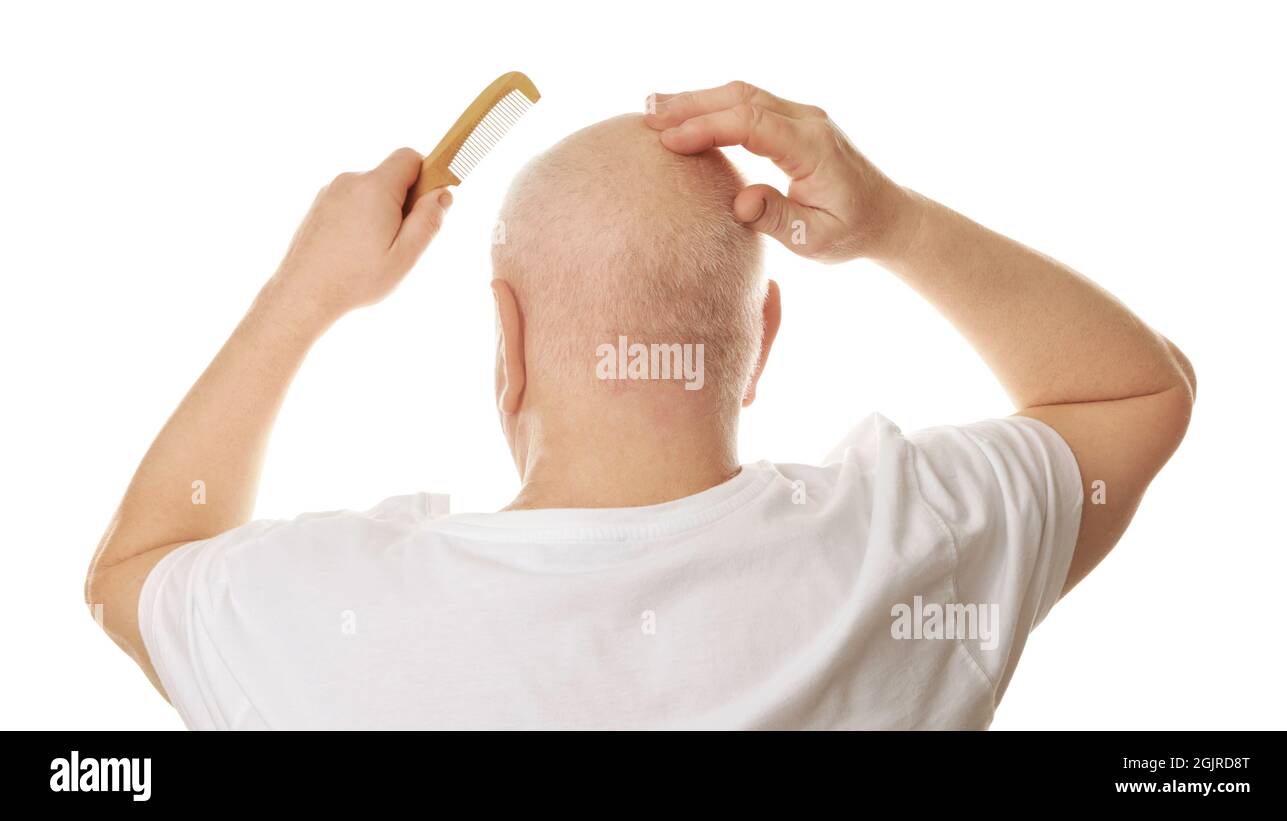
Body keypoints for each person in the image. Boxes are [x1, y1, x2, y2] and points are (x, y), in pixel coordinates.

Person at [86, 81, 1195, 729]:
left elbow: (134, 568)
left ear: (505, 344)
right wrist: (892, 222)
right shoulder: (909, 549)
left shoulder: (325, 618)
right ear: (759, 344)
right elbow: (1136, 388)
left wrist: (304, 294)